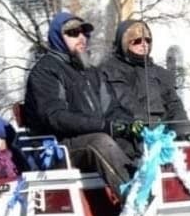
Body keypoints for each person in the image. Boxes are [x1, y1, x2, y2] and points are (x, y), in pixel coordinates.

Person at [23, 11, 133, 196]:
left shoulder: (91, 71)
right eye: (73, 33)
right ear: (58, 37)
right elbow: (56, 117)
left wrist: (129, 125)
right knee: (100, 142)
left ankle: (163, 194)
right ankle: (135, 199)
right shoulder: (45, 71)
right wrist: (105, 126)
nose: (81, 37)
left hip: (88, 139)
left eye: (84, 32)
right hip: (58, 147)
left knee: (143, 136)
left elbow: (112, 108)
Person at [100, 18, 190, 159]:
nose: (144, 44)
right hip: (131, 139)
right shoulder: (110, 71)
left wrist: (185, 131)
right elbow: (124, 101)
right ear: (125, 44)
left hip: (164, 137)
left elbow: (174, 105)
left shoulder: (160, 73)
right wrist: (145, 128)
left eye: (147, 40)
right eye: (137, 41)